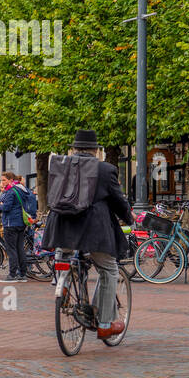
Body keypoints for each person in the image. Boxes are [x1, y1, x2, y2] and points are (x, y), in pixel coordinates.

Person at [42, 130, 133, 340]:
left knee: (63, 256)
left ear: (74, 149)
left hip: (61, 224)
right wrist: (129, 218)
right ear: (95, 150)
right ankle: (105, 324)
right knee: (109, 269)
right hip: (93, 228)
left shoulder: (59, 164)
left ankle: (62, 286)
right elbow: (117, 200)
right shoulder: (105, 169)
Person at [0, 171, 35, 284]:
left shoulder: (11, 191)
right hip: (21, 223)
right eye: (1, 180)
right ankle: (22, 274)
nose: (2, 182)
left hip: (11, 223)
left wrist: (0, 205)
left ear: (11, 180)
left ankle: (12, 274)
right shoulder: (20, 189)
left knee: (11, 249)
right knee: (19, 249)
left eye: (4, 180)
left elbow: (7, 207)